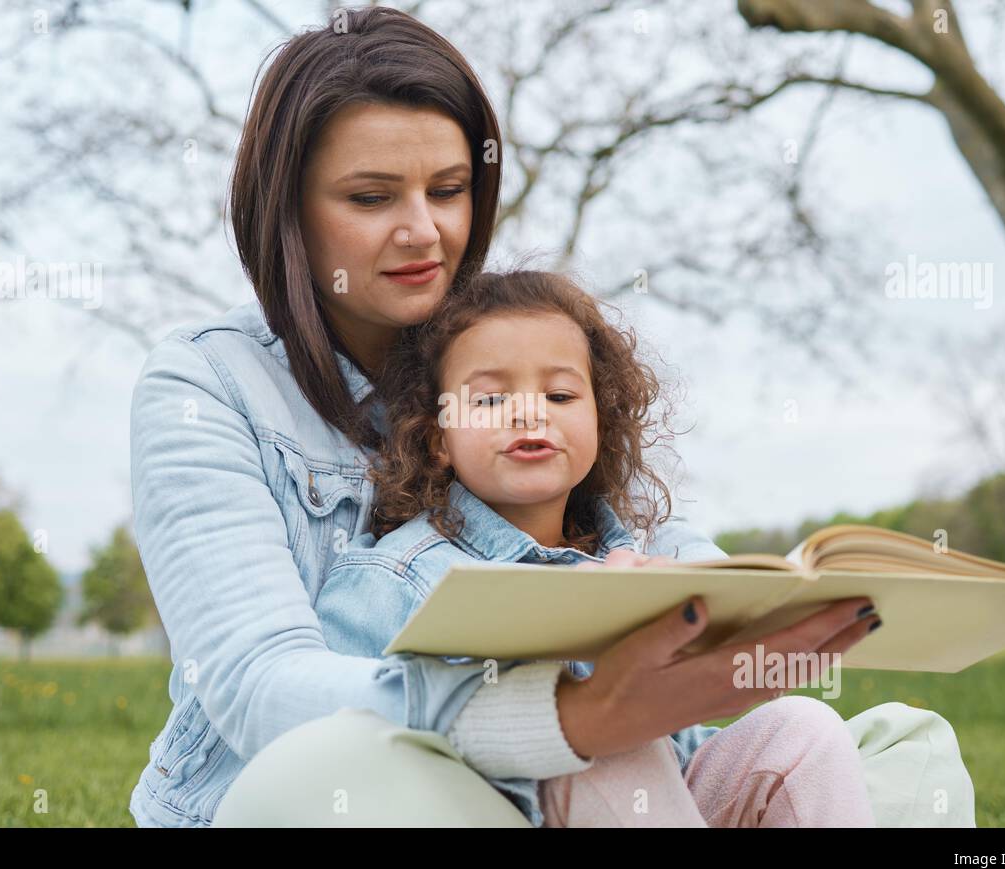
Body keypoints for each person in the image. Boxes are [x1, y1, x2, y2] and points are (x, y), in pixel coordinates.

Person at [128, 6, 976, 828]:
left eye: (449, 189)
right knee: (331, 773)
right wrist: (562, 715)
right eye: (371, 197)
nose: (423, 230)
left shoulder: (520, 345)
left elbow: (651, 540)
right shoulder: (209, 382)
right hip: (352, 786)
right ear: (289, 210)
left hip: (589, 781)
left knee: (902, 748)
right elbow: (260, 688)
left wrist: (737, 609)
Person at [309, 267, 881, 827]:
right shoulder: (394, 578)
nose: (529, 412)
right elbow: (332, 750)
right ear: (438, 441)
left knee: (804, 729)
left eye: (559, 394)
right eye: (487, 401)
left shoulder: (642, 560)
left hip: (672, 801)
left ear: (600, 426)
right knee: (610, 748)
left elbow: (698, 727)